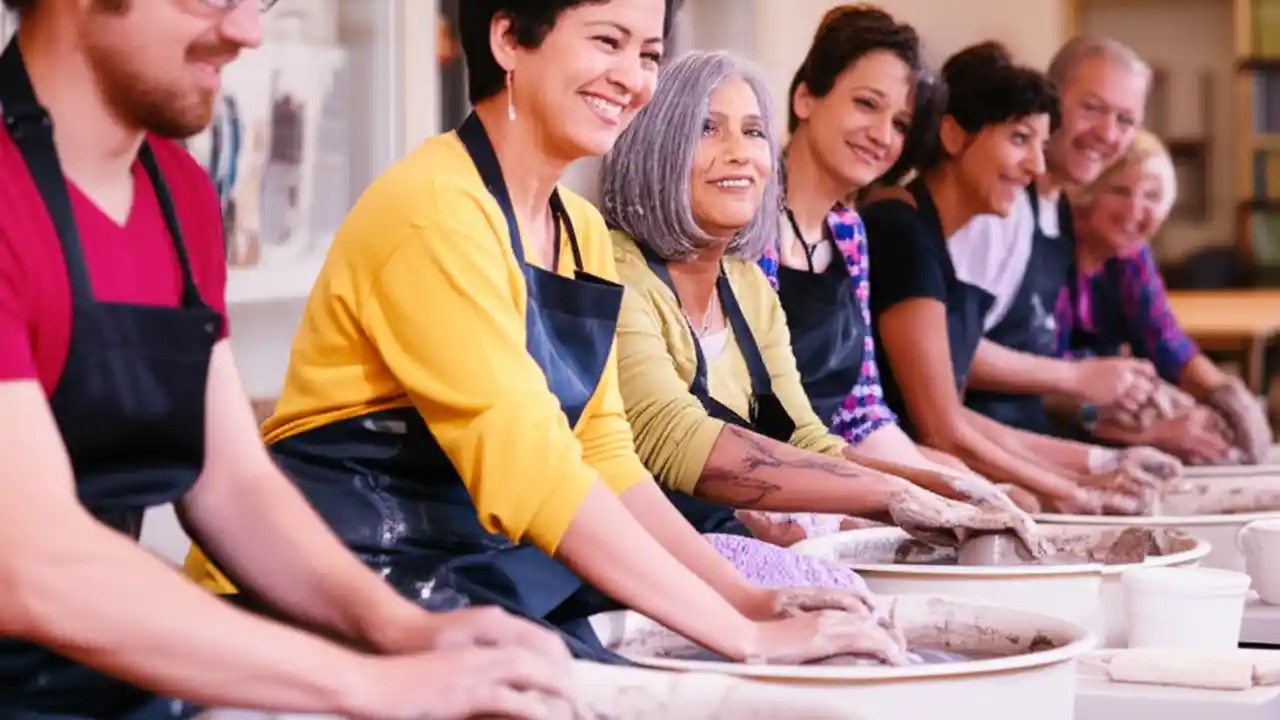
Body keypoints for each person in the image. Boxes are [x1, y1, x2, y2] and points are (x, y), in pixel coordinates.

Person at [185, 0, 915, 667]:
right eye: (607, 41)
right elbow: (532, 469)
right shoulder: (433, 209)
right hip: (327, 572)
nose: (631, 77)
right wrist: (748, 637)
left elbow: (602, 454)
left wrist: (745, 599)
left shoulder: (580, 232)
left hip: (469, 555)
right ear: (508, 38)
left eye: (649, 54)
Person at [0, 0, 585, 718]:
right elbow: (30, 563)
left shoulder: (178, 195)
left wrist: (402, 630)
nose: (248, 31)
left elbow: (229, 481)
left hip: (119, 681)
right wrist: (368, 684)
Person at [601, 49, 1038, 555]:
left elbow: (805, 439)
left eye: (754, 131)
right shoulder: (615, 270)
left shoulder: (747, 286)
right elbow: (673, 437)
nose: (740, 152)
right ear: (654, 146)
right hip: (640, 561)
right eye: (708, 128)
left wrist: (952, 489)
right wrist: (892, 495)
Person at [862, 42, 1180, 516]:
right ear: (953, 135)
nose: (1035, 165)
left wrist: (1097, 463)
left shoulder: (945, 229)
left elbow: (954, 418)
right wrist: (1070, 487)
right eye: (1018, 139)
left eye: (1126, 119)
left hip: (947, 458)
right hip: (901, 470)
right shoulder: (903, 231)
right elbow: (939, 426)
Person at [763, 5, 1036, 509]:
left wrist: (962, 485)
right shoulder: (747, 215)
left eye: (901, 123)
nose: (883, 135)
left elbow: (861, 411)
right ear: (805, 97)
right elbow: (745, 420)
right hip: (760, 486)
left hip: (837, 477)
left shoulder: (849, 233)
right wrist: (914, 486)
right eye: (867, 104)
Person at [953, 37, 1161, 436]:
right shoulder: (999, 205)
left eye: (1125, 120)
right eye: (1092, 108)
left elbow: (1036, 373)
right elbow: (946, 352)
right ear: (1050, 100)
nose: (1107, 133)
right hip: (981, 455)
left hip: (1029, 443)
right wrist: (1076, 378)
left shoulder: (1061, 210)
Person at [1059, 130, 1273, 464]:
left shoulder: (1130, 255)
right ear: (1088, 194)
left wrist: (1226, 392)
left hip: (1100, 411)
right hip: (1048, 423)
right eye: (1118, 191)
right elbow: (1047, 390)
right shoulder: (1050, 252)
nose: (1135, 211)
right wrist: (1154, 434)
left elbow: (1165, 340)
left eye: (1152, 196)